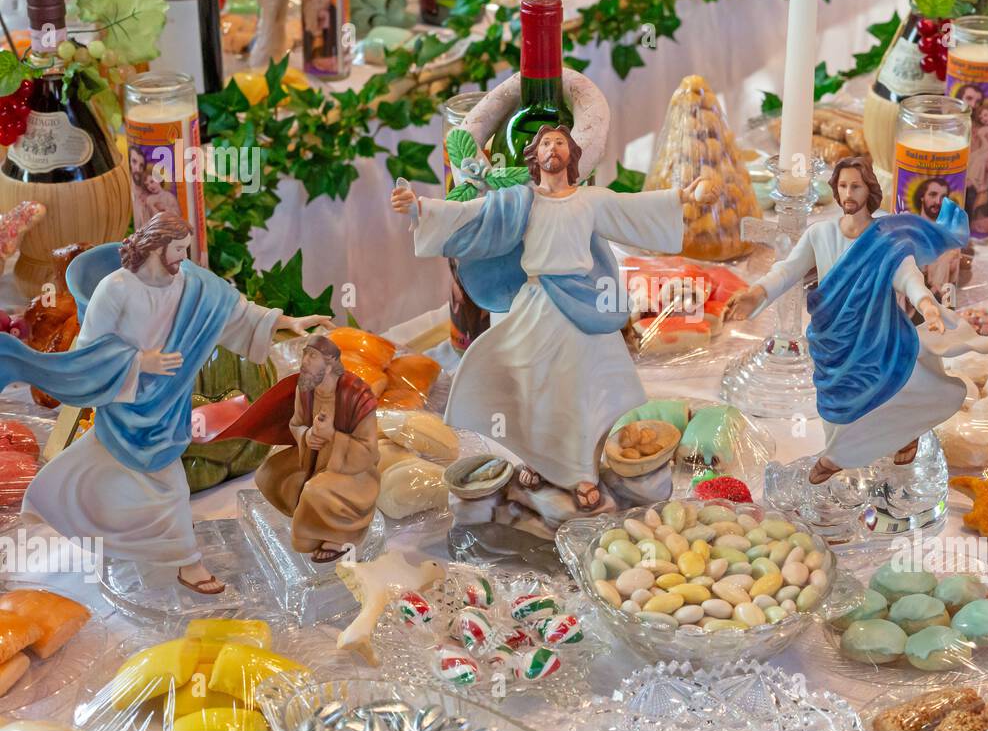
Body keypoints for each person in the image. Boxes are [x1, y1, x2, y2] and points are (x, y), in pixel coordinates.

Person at [0, 213, 333, 594]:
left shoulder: (189, 283)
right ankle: (187, 566)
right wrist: (140, 362)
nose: (183, 257)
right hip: (126, 407)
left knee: (98, 469)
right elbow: (92, 351)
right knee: (167, 488)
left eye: (185, 249)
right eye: (178, 249)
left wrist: (287, 321)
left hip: (167, 409)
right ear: (154, 248)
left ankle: (57, 506)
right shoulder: (114, 290)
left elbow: (235, 312)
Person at [391, 125, 719, 511]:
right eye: (545, 143)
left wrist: (685, 196)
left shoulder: (590, 200)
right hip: (535, 303)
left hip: (581, 307)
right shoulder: (520, 201)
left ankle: (582, 472)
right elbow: (471, 216)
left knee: (581, 391)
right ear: (535, 156)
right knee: (532, 388)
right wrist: (419, 208)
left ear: (571, 154)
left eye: (560, 142)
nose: (552, 148)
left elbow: (633, 208)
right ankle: (537, 461)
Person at [726, 156, 976, 484]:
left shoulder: (885, 236)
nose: (848, 192)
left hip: (879, 336)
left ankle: (846, 455)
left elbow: (908, 275)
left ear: (869, 189)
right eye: (842, 185)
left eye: (855, 185)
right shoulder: (820, 234)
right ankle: (843, 452)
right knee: (836, 406)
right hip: (833, 339)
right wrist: (757, 293)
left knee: (899, 390)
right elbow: (789, 269)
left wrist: (927, 305)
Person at [255, 336, 380, 563]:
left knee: (315, 492)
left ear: (330, 363)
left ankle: (339, 535)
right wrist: (308, 435)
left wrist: (332, 435)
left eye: (312, 356)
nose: (304, 362)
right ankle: (307, 516)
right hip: (312, 459)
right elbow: (296, 423)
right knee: (267, 474)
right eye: (305, 354)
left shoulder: (358, 396)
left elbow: (369, 451)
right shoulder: (306, 388)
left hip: (351, 472)